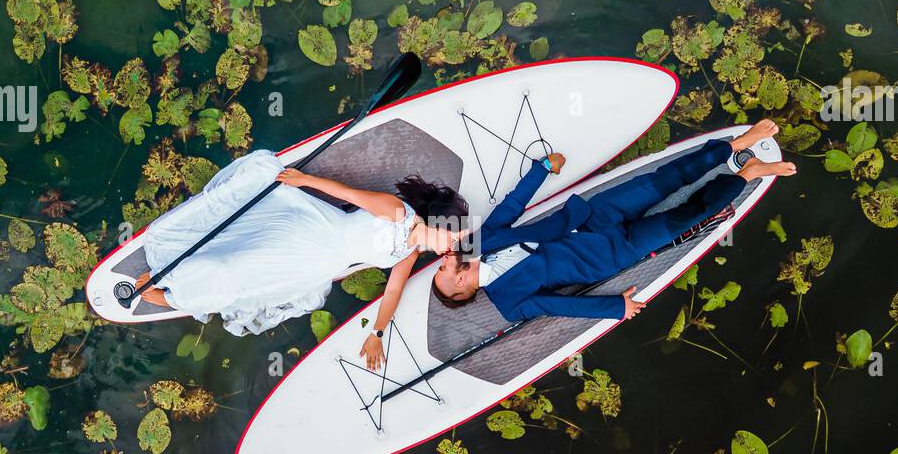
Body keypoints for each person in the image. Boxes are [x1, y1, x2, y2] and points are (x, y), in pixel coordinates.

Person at [432, 120, 795, 322]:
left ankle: (735, 145)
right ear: (461, 285)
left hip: (591, 215)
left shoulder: (477, 242)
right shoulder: (508, 302)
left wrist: (542, 169)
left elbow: (511, 206)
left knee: (664, 180)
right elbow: (562, 306)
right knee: (685, 217)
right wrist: (616, 309)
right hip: (609, 254)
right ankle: (747, 175)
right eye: (444, 270)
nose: (446, 259)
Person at [134, 149, 467, 366]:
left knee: (246, 282)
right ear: (439, 222)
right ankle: (176, 273)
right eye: (452, 236)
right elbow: (350, 195)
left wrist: (377, 333)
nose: (450, 248)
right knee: (235, 261)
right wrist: (304, 180)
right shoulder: (398, 212)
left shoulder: (407, 253)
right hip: (314, 230)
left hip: (319, 265)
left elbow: (393, 291)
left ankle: (176, 295)